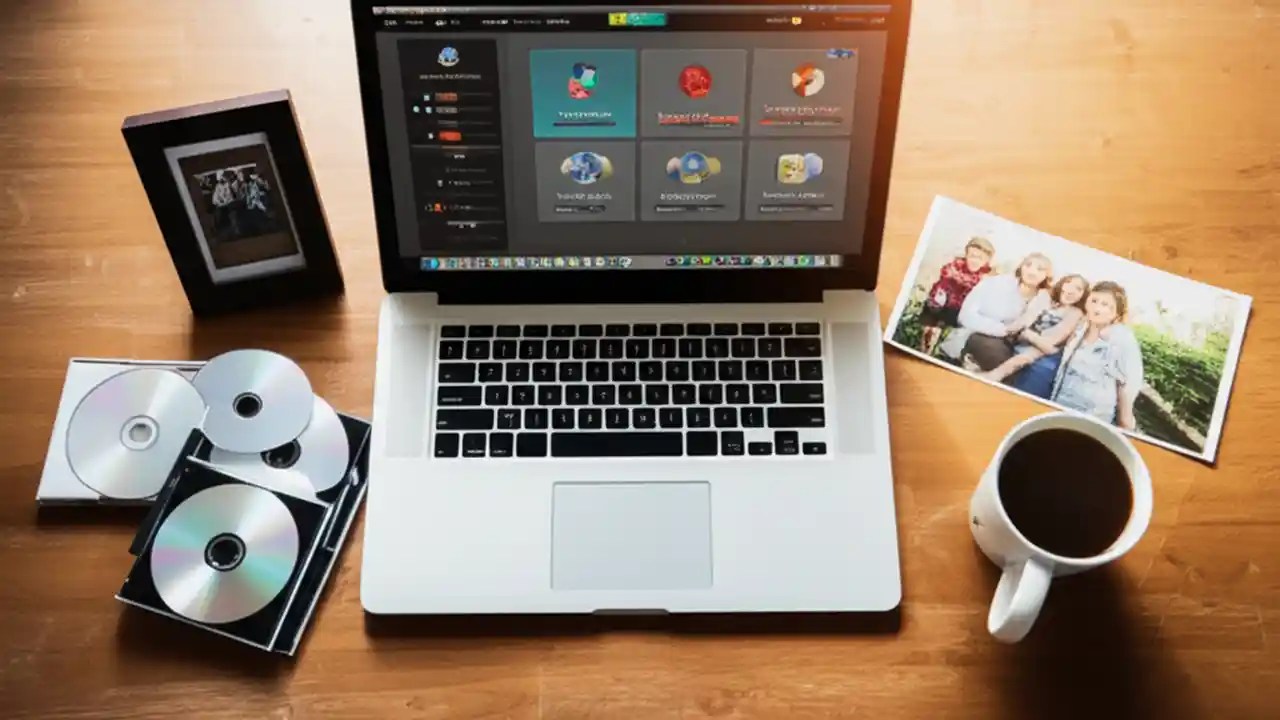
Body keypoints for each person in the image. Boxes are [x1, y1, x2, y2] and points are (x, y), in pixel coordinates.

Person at [1051, 281, 1144, 430]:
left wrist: (1125, 421)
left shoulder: (1122, 339)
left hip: (1093, 418)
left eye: (1106, 305)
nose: (1097, 308)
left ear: (1117, 313)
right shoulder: (1081, 329)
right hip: (1061, 406)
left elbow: (1129, 385)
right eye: (1094, 301)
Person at [939, 252, 1054, 370]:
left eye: (1040, 269)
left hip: (1012, 348)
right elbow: (965, 316)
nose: (1032, 272)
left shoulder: (1042, 300)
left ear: (1047, 275)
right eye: (1028, 265)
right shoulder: (995, 283)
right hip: (973, 337)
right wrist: (1003, 330)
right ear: (1021, 267)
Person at [979, 274, 1089, 395]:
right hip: (1024, 336)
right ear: (1062, 284)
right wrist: (1015, 330)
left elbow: (1051, 341)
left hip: (1043, 346)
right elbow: (1027, 318)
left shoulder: (1075, 313)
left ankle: (995, 375)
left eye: (1079, 289)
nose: (1072, 291)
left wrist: (1027, 333)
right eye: (1069, 283)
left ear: (1083, 295)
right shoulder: (1044, 295)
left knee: (1033, 354)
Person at [917, 236, 994, 355]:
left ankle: (940, 343)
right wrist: (937, 302)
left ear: (986, 262)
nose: (975, 261)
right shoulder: (953, 268)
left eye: (980, 258)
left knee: (954, 323)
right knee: (932, 314)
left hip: (959, 310)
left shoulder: (983, 279)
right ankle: (925, 343)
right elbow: (940, 288)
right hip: (942, 302)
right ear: (966, 254)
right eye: (972, 256)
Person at [210, 171, 234, 241]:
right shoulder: (218, 186)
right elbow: (215, 200)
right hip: (221, 207)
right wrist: (220, 200)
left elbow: (231, 196)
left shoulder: (228, 185)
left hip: (228, 207)